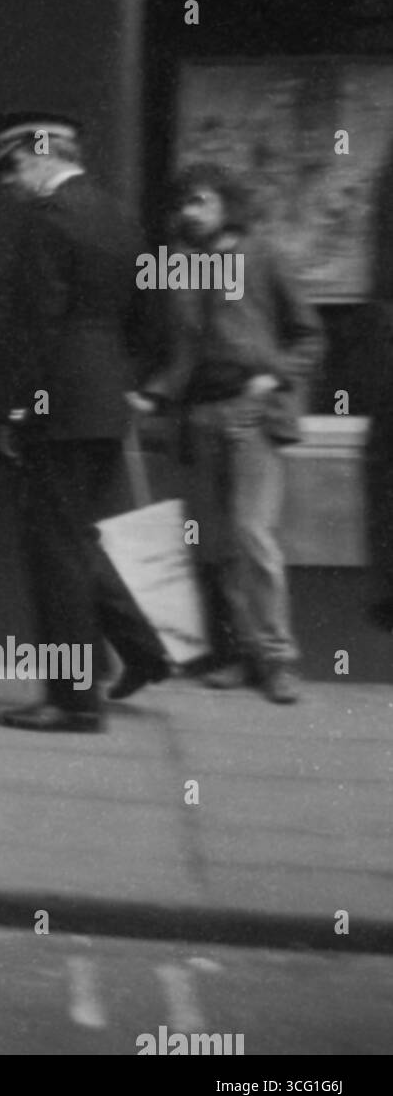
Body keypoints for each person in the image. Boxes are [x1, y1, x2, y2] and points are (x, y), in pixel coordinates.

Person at [0, 112, 170, 733]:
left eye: (11, 166)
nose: (6, 181)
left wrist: (18, 411)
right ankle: (145, 649)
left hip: (57, 405)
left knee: (54, 551)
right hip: (105, 403)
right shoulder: (122, 218)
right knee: (75, 539)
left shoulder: (46, 223)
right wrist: (131, 384)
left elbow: (37, 330)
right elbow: (154, 315)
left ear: (42, 157)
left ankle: (73, 701)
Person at [129, 163, 324, 703]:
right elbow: (184, 351)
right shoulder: (183, 267)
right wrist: (155, 393)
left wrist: (273, 377)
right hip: (201, 417)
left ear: (226, 206)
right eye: (183, 203)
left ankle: (279, 659)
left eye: (201, 201)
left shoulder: (264, 257)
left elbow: (309, 336)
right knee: (219, 545)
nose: (188, 212)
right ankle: (241, 654)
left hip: (253, 413)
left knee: (251, 536)